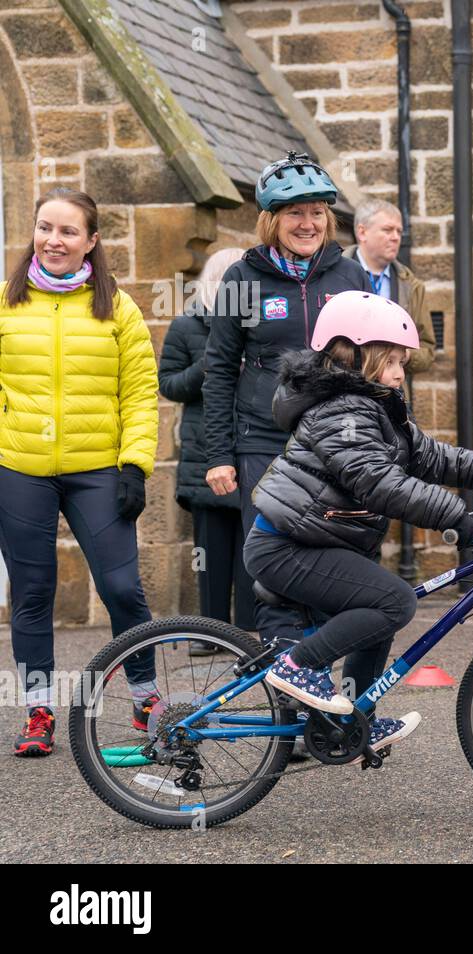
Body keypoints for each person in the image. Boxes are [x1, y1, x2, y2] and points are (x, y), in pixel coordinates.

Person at [245, 291, 473, 749]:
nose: (401, 372)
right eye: (392, 360)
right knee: (394, 601)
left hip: (317, 543)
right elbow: (379, 484)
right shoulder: (341, 411)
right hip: (286, 547)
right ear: (357, 357)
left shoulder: (371, 403)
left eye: (402, 361)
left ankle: (351, 723)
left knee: (379, 611)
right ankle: (296, 667)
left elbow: (428, 456)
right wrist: (456, 514)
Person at [1, 188, 159, 756]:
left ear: (92, 241)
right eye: (45, 228)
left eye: (69, 231)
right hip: (21, 469)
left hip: (99, 470)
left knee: (122, 588)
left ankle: (146, 698)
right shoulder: (6, 302)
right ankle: (38, 709)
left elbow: (141, 392)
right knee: (35, 591)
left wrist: (135, 464)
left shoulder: (118, 307)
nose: (54, 240)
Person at [203, 151, 369, 647]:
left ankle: (316, 677)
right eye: (295, 212)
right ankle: (285, 681)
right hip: (263, 443)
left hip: (334, 443)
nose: (308, 222)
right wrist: (219, 455)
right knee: (273, 566)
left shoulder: (350, 276)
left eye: (317, 211)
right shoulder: (242, 278)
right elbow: (218, 370)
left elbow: (373, 365)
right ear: (272, 220)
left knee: (330, 556)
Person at [159, 246, 255, 646]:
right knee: (211, 554)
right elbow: (168, 385)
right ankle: (209, 636)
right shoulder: (186, 326)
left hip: (252, 449)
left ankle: (252, 636)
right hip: (206, 455)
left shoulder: (260, 324)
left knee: (254, 551)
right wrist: (213, 361)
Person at [342, 197, 438, 376]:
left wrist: (403, 354)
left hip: (392, 394)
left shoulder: (412, 286)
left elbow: (427, 350)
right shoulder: (333, 275)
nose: (395, 237)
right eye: (387, 230)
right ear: (362, 232)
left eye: (399, 232)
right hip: (345, 393)